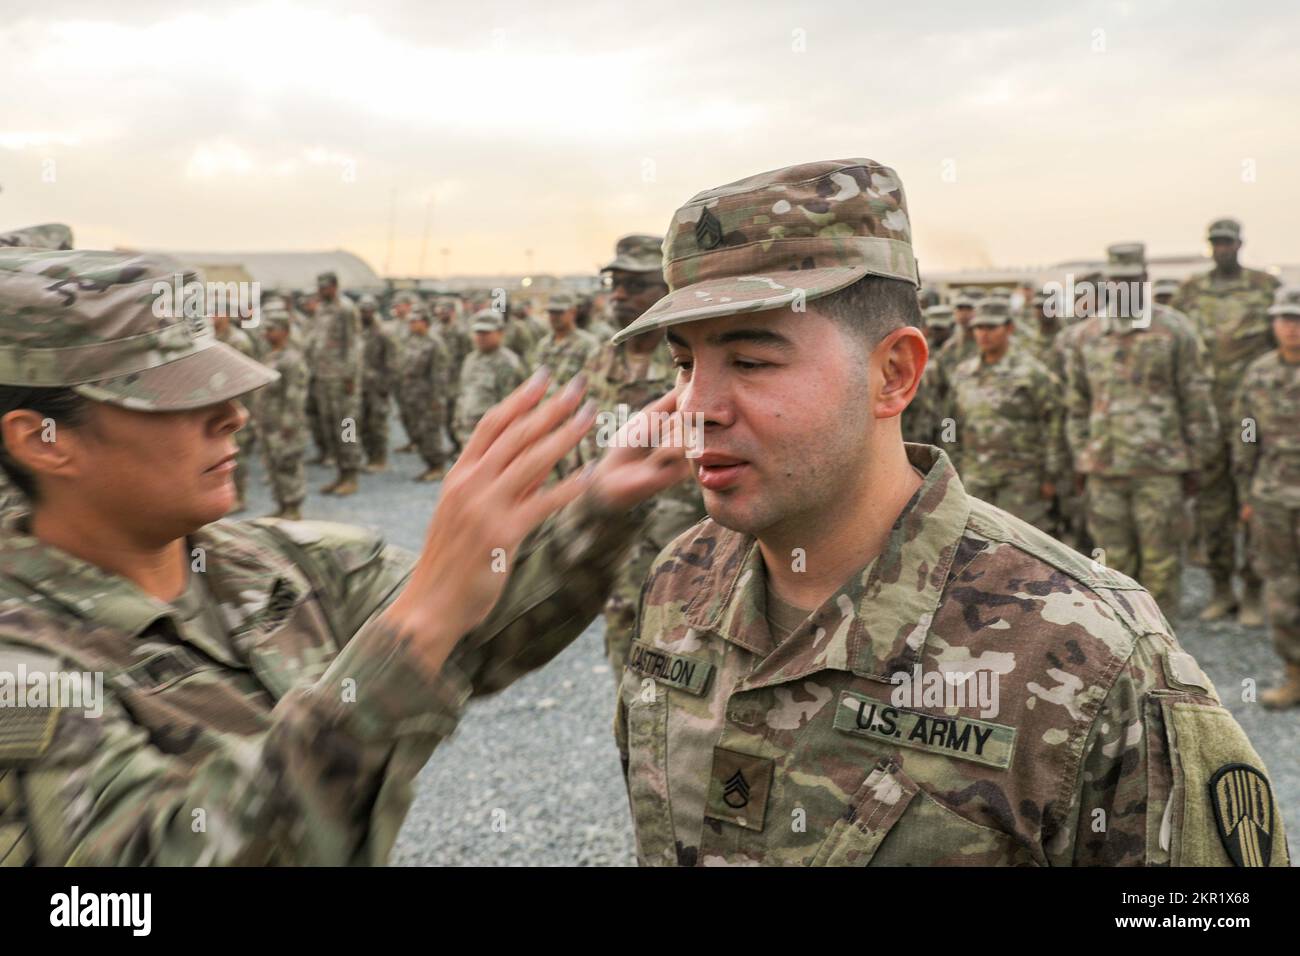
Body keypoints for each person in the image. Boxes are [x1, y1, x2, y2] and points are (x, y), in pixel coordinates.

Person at [612, 158, 1285, 867]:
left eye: (750, 362)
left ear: (893, 374)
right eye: (684, 364)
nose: (695, 411)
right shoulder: (681, 580)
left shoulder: (1095, 658)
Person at [0, 247, 690, 865]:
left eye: (220, 385)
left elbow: (479, 637)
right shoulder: (23, 666)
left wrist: (598, 507)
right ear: (45, 439)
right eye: (174, 397)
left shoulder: (273, 563)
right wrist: (415, 622)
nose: (232, 415)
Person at [1065, 243, 1217, 621]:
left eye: (1132, 280)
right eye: (1117, 281)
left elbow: (1196, 398)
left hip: (1160, 470)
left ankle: (1164, 660)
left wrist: (1199, 462)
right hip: (1105, 471)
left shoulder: (1175, 329)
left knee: (1161, 564)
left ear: (1144, 281)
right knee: (1112, 566)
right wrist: (1083, 456)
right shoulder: (1087, 335)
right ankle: (1123, 658)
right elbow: (1076, 404)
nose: (1124, 288)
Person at [580, 236, 706, 680]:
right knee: (622, 637)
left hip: (683, 533)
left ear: (666, 290)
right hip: (616, 530)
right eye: (614, 283)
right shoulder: (597, 359)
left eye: (634, 285)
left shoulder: (696, 362)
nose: (618, 295)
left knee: (686, 650)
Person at [1174, 219, 1281, 625]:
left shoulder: (1263, 288)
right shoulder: (1190, 292)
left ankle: (1253, 591)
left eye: (1228, 242)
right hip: (1207, 418)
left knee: (1252, 502)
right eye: (1216, 243)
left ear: (1240, 244)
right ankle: (1221, 590)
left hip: (1253, 417)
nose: (1222, 249)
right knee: (1213, 508)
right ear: (1210, 247)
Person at [1233, 286, 1300, 708]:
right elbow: (1245, 435)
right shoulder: (1257, 374)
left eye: (1297, 320)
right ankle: (1294, 674)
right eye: (1284, 320)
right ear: (1273, 325)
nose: (1291, 328)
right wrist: (1246, 494)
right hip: (1274, 498)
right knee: (1282, 588)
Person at [945, 298, 1062, 532]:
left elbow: (1054, 424)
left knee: (1022, 544)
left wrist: (1052, 476)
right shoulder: (963, 373)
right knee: (976, 543)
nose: (983, 334)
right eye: (978, 328)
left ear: (1009, 328)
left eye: (991, 327)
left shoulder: (1032, 373)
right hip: (976, 476)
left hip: (1021, 479)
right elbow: (950, 422)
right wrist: (952, 464)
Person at [312, 271, 364, 496]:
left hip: (343, 379)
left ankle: (351, 475)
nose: (321, 291)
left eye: (325, 287)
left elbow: (353, 344)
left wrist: (350, 376)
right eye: (319, 287)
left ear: (334, 286)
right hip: (324, 377)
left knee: (347, 427)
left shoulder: (346, 309)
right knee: (331, 427)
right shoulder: (321, 309)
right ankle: (340, 474)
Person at [256, 305, 309, 520]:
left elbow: (295, 395)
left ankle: (293, 507)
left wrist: (289, 423)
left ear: (285, 331)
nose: (267, 334)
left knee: (287, 463)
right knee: (273, 463)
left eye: (272, 330)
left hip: (283, 423)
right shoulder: (270, 356)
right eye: (266, 330)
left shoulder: (291, 359)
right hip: (268, 421)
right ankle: (281, 503)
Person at [396, 304, 454, 482]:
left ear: (425, 322)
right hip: (410, 394)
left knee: (430, 432)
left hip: (428, 396)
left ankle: (437, 465)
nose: (412, 324)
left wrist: (437, 399)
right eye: (410, 321)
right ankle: (429, 463)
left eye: (415, 321)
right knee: (415, 431)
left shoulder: (435, 343)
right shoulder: (409, 340)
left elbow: (440, 374)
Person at [454, 310, 526, 448]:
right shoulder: (471, 359)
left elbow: (511, 407)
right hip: (468, 434)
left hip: (492, 439)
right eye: (478, 332)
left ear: (500, 333)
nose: (481, 337)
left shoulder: (508, 363)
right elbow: (463, 394)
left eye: (486, 333)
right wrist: (457, 423)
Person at [357, 293, 397, 474]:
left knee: (377, 424)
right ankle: (368, 457)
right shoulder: (356, 332)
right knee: (361, 423)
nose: (365, 313)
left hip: (377, 387)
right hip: (360, 386)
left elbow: (392, 363)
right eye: (362, 310)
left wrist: (385, 387)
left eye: (368, 310)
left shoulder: (383, 333)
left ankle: (380, 459)